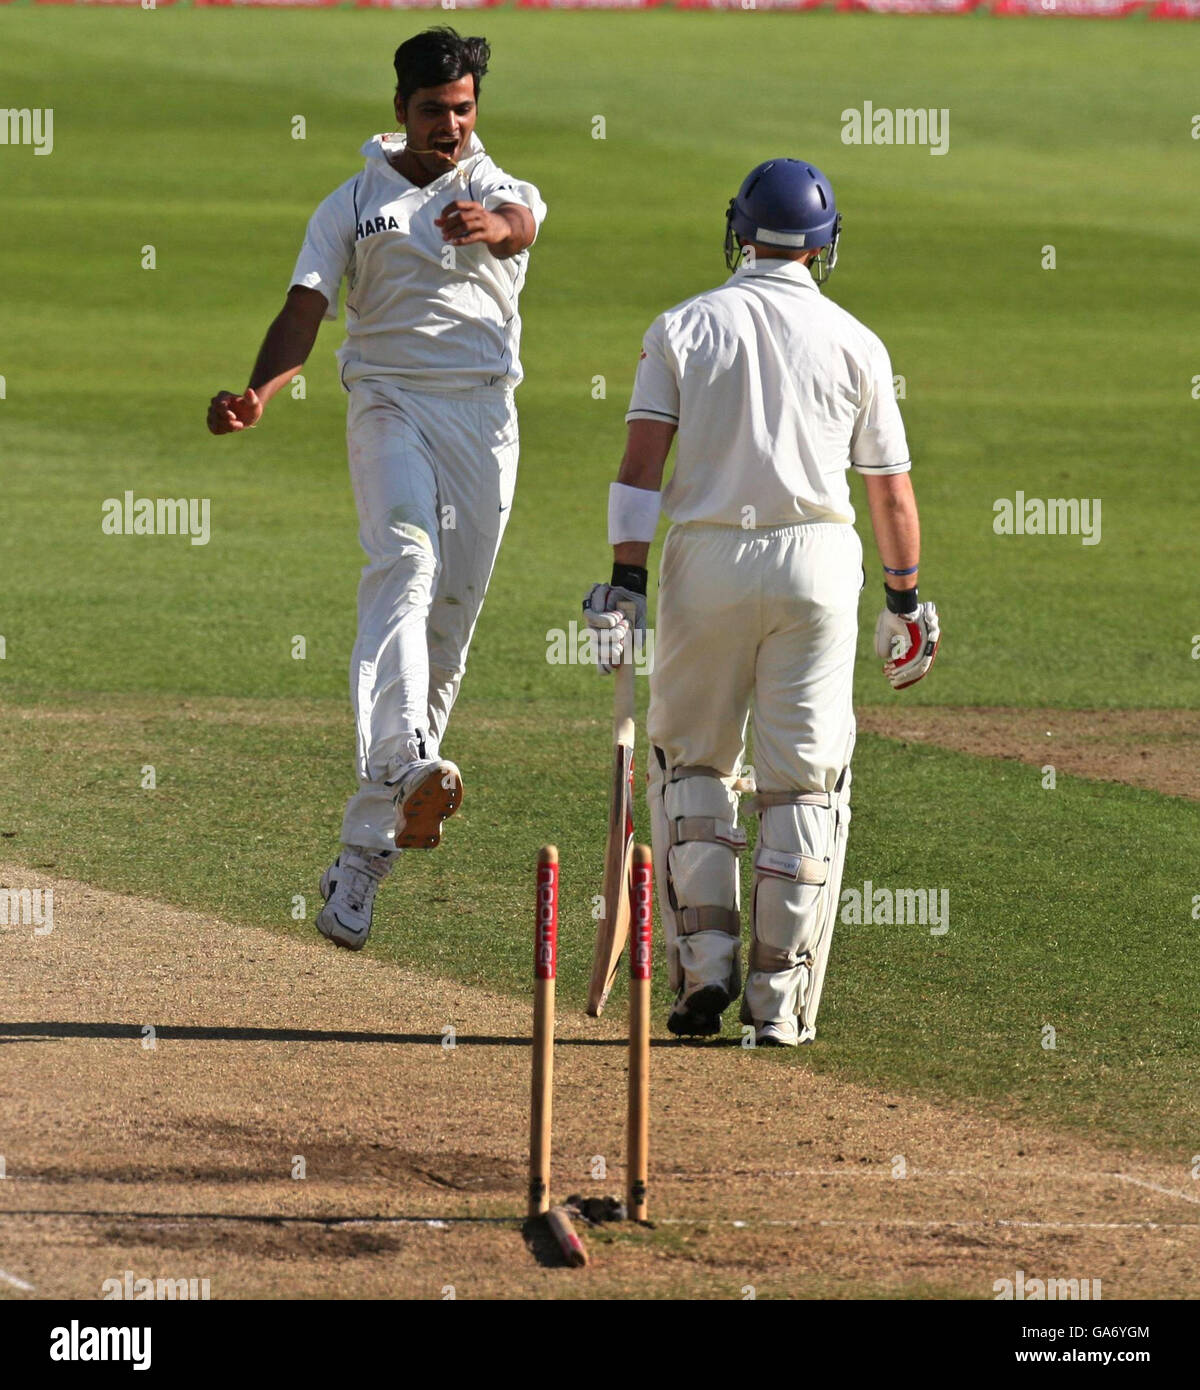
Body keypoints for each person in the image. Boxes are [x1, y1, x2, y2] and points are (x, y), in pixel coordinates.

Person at [584, 158, 939, 1046]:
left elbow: (639, 470)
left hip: (706, 560)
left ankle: (705, 968)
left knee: (693, 766)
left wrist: (624, 581)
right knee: (803, 783)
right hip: (819, 566)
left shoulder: (683, 326)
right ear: (823, 248)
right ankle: (777, 1006)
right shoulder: (858, 339)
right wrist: (906, 601)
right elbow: (890, 495)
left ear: (739, 232)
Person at [207, 27, 546, 950]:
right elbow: (305, 307)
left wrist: (490, 225)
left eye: (465, 110)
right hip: (389, 403)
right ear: (400, 109)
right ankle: (400, 762)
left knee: (449, 624)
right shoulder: (352, 202)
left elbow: (522, 225)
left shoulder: (497, 187)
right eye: (436, 110)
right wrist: (260, 394)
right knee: (403, 558)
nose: (452, 125)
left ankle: (362, 861)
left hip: (484, 417)